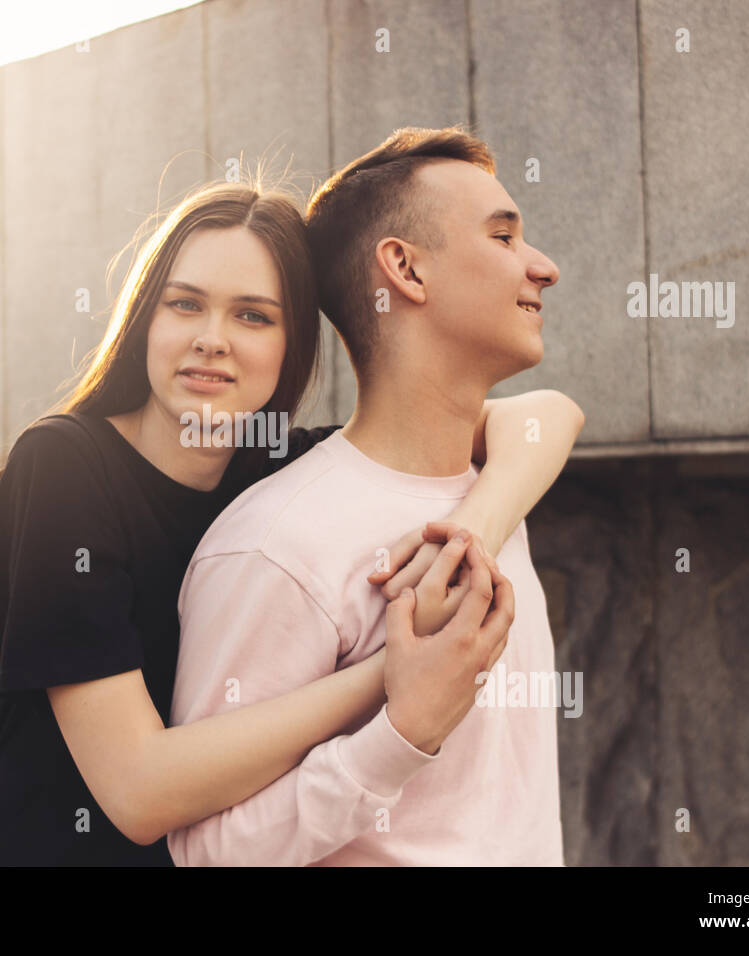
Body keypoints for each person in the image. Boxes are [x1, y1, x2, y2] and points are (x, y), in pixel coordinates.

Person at [0, 172, 581, 866]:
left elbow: (547, 416)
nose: (211, 339)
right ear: (146, 317)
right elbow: (137, 791)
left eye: (253, 316)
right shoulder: (66, 469)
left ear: (293, 347)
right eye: (185, 305)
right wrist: (395, 678)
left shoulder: (274, 472)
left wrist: (472, 533)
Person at [168, 126, 582, 866]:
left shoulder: (493, 498)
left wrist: (478, 525)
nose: (544, 267)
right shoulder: (276, 545)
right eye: (504, 236)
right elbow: (205, 852)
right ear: (405, 270)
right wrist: (400, 736)